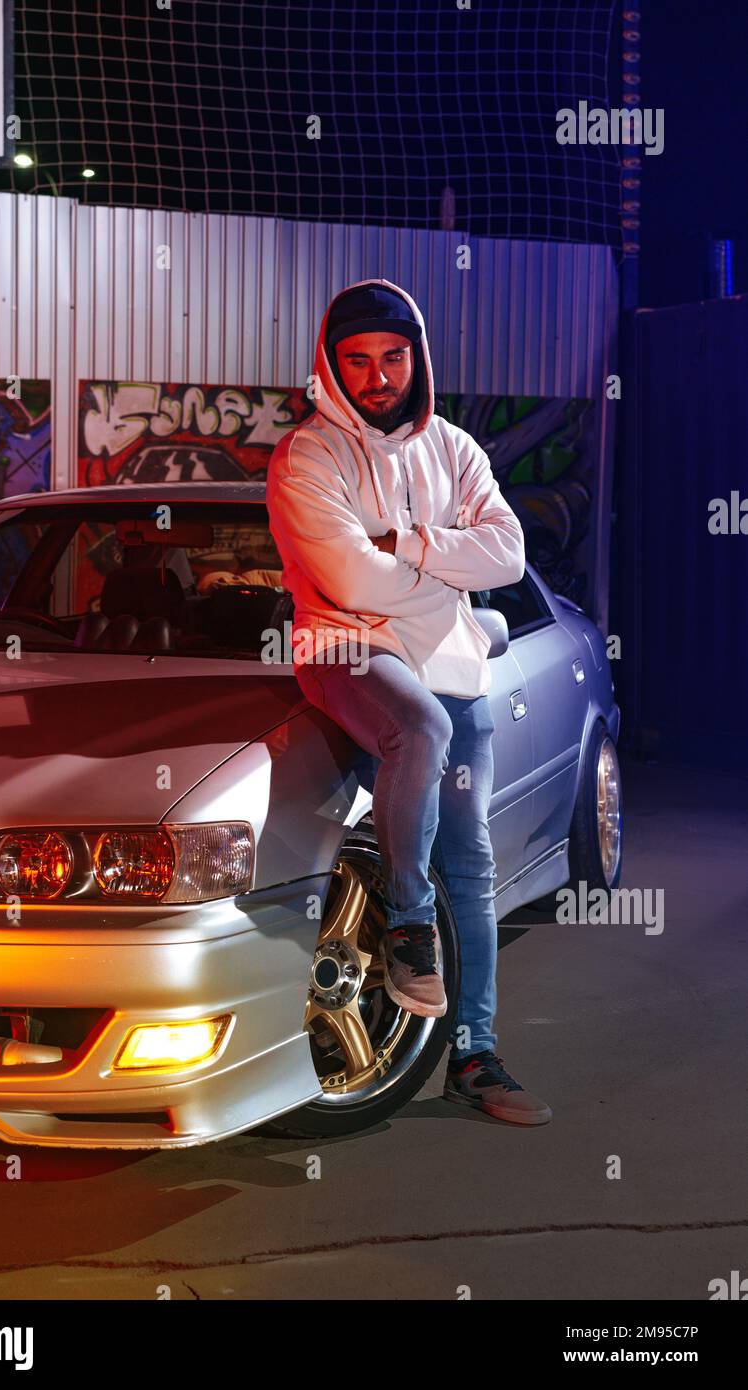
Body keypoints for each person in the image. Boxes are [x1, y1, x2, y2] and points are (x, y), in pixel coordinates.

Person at [266, 278, 552, 1125]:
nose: (377, 375)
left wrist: (407, 546)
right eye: (357, 360)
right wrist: (435, 569)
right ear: (332, 363)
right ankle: (405, 923)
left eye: (393, 357)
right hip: (345, 652)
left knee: (472, 863)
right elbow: (346, 579)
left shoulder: (458, 450)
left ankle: (476, 1056)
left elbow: (506, 555)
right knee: (417, 727)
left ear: (417, 359)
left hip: (454, 665)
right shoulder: (307, 457)